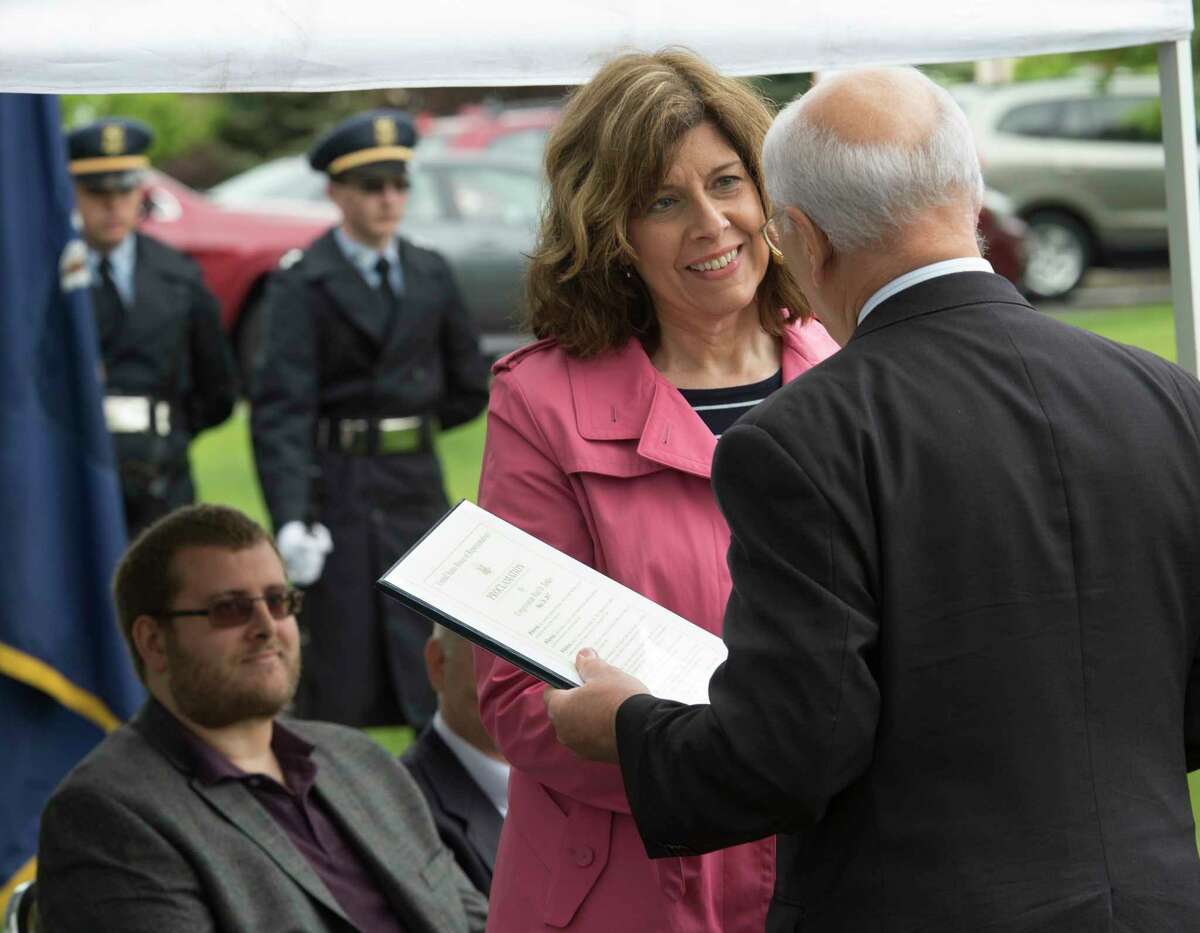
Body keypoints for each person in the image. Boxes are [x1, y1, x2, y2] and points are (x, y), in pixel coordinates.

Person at [545, 66, 1200, 931]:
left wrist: (627, 725)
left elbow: (787, 752)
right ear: (968, 194)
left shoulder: (804, 439)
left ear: (806, 240)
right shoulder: (1165, 396)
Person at [472, 49, 839, 932]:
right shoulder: (540, 403)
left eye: (727, 182)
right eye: (663, 201)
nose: (712, 223)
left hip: (833, 869)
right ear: (612, 232)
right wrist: (727, 766)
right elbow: (518, 699)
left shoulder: (852, 370)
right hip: (628, 888)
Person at [37, 503, 488, 933]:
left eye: (278, 601)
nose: (266, 627)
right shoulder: (109, 815)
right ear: (154, 641)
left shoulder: (363, 761)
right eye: (229, 609)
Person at [250, 109, 490, 729]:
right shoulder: (304, 282)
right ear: (336, 193)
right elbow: (282, 408)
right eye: (372, 186)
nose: (389, 200)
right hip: (339, 483)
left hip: (412, 479)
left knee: (427, 648)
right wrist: (293, 515)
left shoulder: (429, 271)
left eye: (398, 185)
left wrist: (406, 422)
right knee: (342, 654)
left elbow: (466, 385)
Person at [67, 117, 237, 536]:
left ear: (140, 192)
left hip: (161, 475)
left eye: (124, 191)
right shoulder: (45, 279)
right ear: (73, 193)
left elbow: (216, 387)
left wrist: (169, 430)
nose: (112, 206)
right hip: (72, 471)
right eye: (97, 193)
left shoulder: (177, 273)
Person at [401, 625, 508, 895]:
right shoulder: (404, 812)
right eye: (497, 650)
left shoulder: (591, 779)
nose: (528, 676)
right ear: (438, 663)